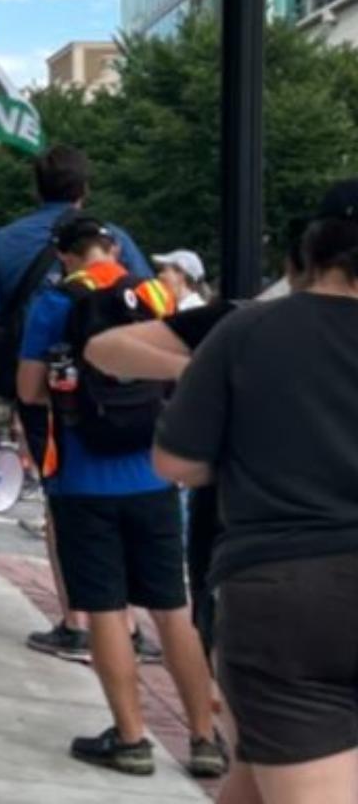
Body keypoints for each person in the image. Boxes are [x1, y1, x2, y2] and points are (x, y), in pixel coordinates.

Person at [156, 181, 358, 804]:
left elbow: (175, 462)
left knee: (279, 759)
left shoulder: (249, 331)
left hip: (285, 595)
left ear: (309, 250)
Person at [18, 215, 224, 780]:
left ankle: (131, 738)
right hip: (154, 473)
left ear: (65, 256)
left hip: (81, 478)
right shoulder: (156, 294)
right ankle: (204, 738)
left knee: (106, 608)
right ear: (111, 247)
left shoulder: (56, 303)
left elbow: (30, 390)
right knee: (172, 606)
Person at [0, 145, 155, 664]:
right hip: (118, 388)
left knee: (63, 498)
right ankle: (128, 622)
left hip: (45, 386)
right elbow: (146, 300)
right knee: (121, 492)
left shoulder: (6, 241)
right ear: (85, 190)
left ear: (36, 188)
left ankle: (77, 619)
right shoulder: (114, 239)